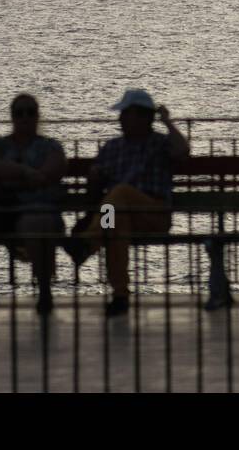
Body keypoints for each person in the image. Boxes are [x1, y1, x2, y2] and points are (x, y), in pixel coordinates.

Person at [64, 89, 189, 316]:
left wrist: (168, 122)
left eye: (125, 114)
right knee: (115, 227)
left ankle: (87, 243)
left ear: (143, 117)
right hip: (117, 217)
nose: (120, 118)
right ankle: (120, 295)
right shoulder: (112, 147)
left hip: (153, 214)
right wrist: (93, 180)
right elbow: (96, 181)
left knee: (120, 193)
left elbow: (182, 150)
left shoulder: (160, 144)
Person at [0, 94, 67, 316]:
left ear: (37, 116)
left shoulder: (50, 146)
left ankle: (44, 291)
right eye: (19, 112)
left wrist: (6, 173)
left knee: (38, 223)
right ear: (12, 117)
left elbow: (51, 171)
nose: (25, 117)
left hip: (36, 205)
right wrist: (25, 172)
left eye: (30, 112)